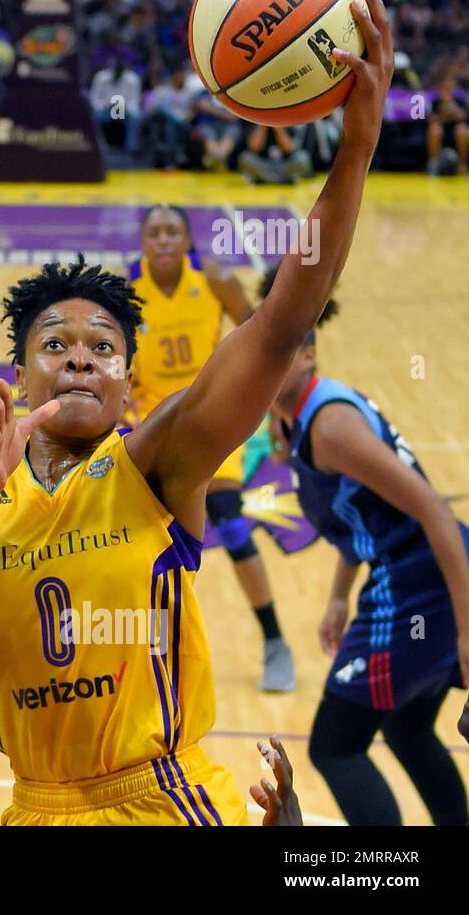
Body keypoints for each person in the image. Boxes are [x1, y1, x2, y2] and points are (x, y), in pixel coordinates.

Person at [0, 0, 392, 825]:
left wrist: (356, 148)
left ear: (128, 385)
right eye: (56, 344)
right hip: (35, 805)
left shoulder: (157, 461)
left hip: (164, 799)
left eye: (103, 349)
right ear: (17, 372)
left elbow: (277, 329)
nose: (81, 357)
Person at [262, 273, 469, 826]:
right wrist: (337, 597)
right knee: (405, 725)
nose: (265, 361)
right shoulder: (291, 420)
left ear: (307, 356)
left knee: (335, 744)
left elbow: (436, 512)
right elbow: (362, 519)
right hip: (415, 573)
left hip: (424, 577)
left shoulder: (331, 425)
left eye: (282, 350)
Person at [127, 205, 294, 692]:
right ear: (142, 240)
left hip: (211, 414)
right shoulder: (125, 289)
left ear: (187, 240)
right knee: (140, 543)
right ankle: (147, 656)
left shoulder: (216, 279)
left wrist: (279, 410)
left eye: (172, 231)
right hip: (149, 423)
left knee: (230, 519)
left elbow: (264, 340)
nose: (163, 239)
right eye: (154, 231)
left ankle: (275, 643)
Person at [426, 74, 467, 175]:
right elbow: (431, 118)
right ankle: (433, 164)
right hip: (441, 129)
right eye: (445, 85)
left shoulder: (460, 100)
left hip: (455, 130)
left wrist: (451, 106)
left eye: (450, 84)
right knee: (434, 129)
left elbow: (462, 117)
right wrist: (444, 116)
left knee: (462, 130)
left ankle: (463, 164)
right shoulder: (435, 101)